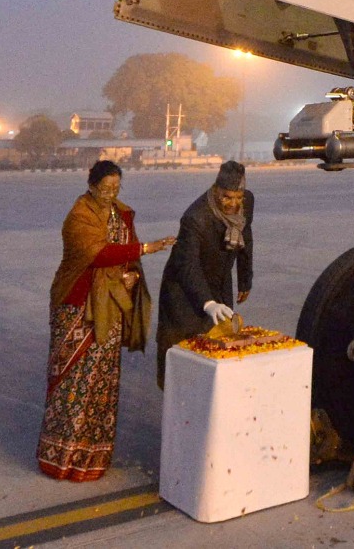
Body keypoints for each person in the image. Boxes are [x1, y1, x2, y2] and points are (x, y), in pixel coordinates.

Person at [37, 160, 175, 481]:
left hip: (108, 308)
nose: (111, 193)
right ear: (91, 184)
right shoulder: (79, 216)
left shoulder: (121, 213)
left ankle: (91, 459)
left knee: (102, 384)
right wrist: (146, 248)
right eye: (105, 188)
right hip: (78, 307)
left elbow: (128, 256)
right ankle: (59, 458)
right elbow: (97, 253)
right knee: (72, 383)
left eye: (116, 187)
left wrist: (130, 275)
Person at [156, 160, 254, 388]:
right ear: (216, 190)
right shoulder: (195, 217)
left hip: (219, 280)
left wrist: (245, 278)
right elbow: (187, 265)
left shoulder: (247, 202)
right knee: (184, 352)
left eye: (238, 197)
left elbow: (246, 236)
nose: (233, 203)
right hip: (183, 290)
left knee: (218, 346)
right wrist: (208, 303)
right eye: (227, 197)